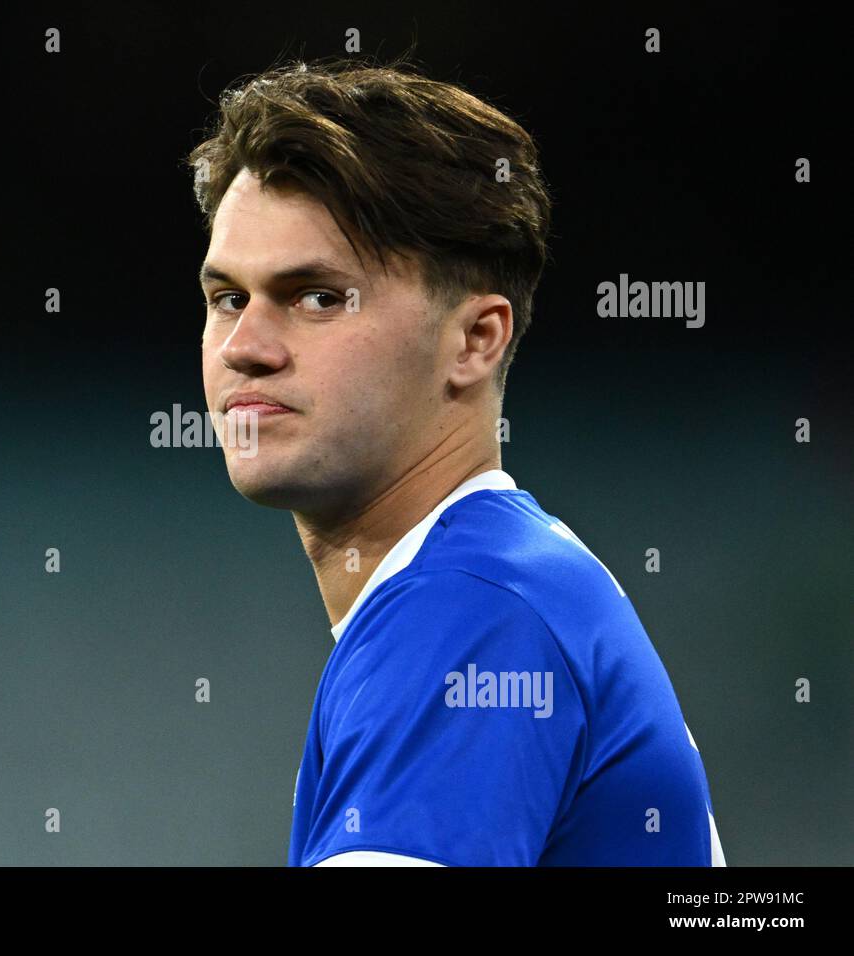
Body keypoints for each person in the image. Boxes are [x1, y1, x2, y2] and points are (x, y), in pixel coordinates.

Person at [187, 57, 725, 866]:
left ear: (476, 340)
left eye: (318, 297)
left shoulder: (467, 613)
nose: (244, 348)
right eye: (229, 298)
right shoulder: (502, 582)